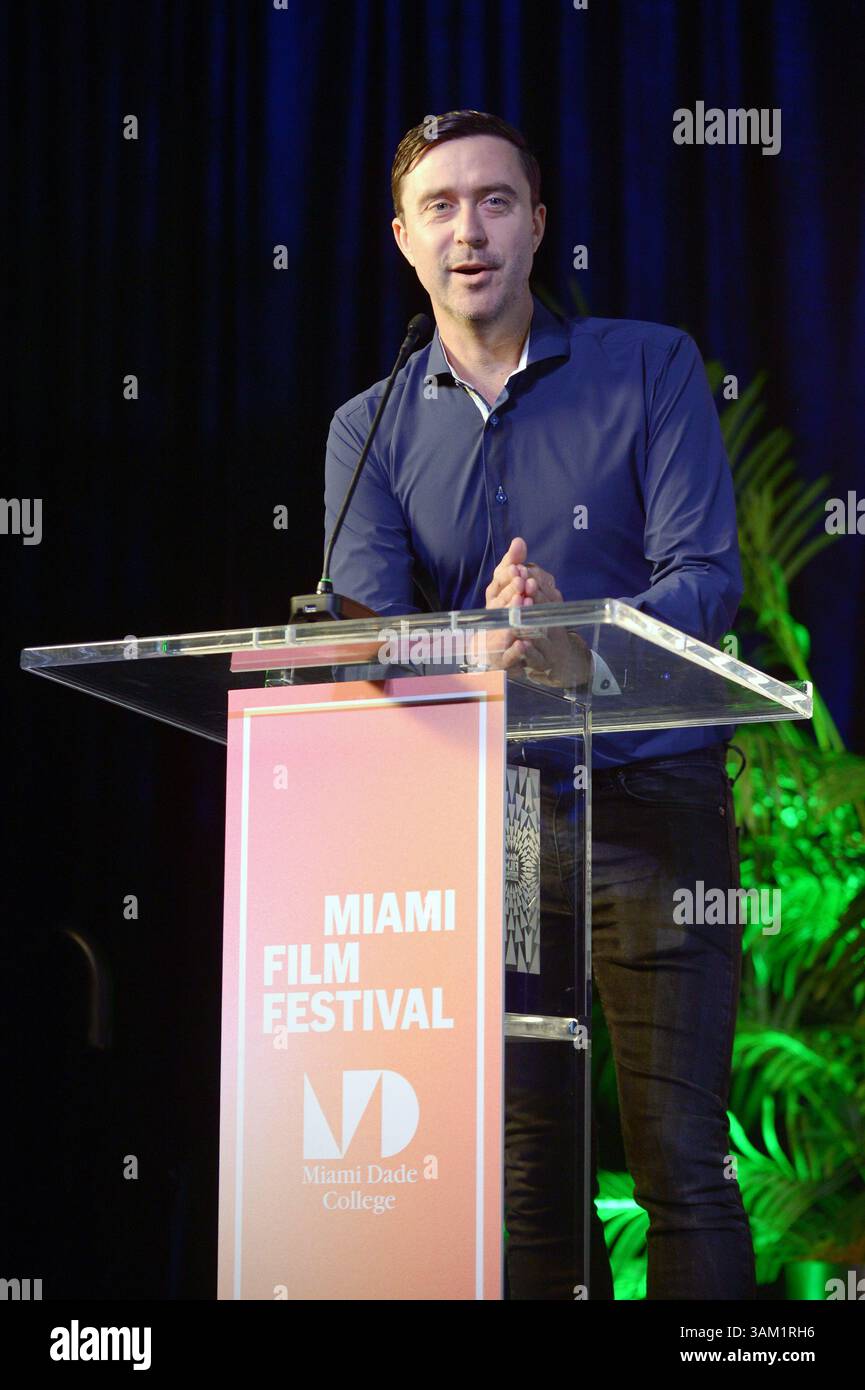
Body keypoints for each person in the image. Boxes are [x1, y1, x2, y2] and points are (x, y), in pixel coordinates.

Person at [323, 108, 756, 1300]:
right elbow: (365, 643)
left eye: (495, 201)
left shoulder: (649, 364)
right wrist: (480, 644)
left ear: (537, 227)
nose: (470, 230)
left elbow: (708, 579)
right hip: (489, 825)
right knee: (529, 1177)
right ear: (404, 240)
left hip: (653, 801)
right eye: (442, 208)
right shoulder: (366, 430)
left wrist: (579, 643)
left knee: (681, 1164)